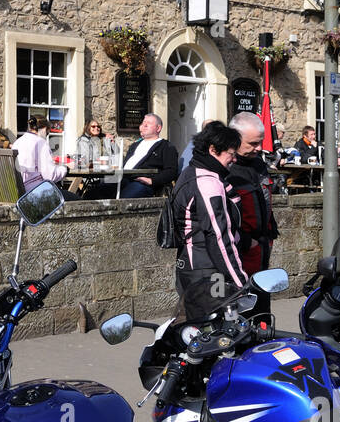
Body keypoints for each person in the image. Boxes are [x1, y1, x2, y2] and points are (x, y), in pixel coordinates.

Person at [170, 121, 247, 321]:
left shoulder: (190, 172)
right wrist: (239, 281)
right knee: (221, 328)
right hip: (208, 271)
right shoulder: (208, 182)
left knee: (194, 327)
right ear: (213, 150)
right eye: (231, 154)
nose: (234, 159)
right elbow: (219, 236)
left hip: (190, 265)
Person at [227, 113, 279, 315]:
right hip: (240, 249)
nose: (258, 148)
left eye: (260, 142)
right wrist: (246, 241)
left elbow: (264, 200)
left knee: (261, 306)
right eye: (253, 143)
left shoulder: (258, 163)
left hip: (262, 245)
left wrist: (270, 232)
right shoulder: (226, 167)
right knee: (239, 308)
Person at [116, 113, 179, 199]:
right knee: (100, 189)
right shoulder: (134, 145)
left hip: (142, 183)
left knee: (125, 197)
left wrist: (152, 180)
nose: (144, 125)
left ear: (158, 128)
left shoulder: (166, 146)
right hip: (123, 179)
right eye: (143, 123)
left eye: (148, 123)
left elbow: (171, 171)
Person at [12, 114, 67, 192]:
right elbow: (50, 176)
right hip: (35, 192)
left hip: (18, 191)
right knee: (75, 197)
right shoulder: (41, 143)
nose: (46, 135)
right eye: (47, 132)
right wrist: (65, 168)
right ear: (44, 129)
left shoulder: (17, 142)